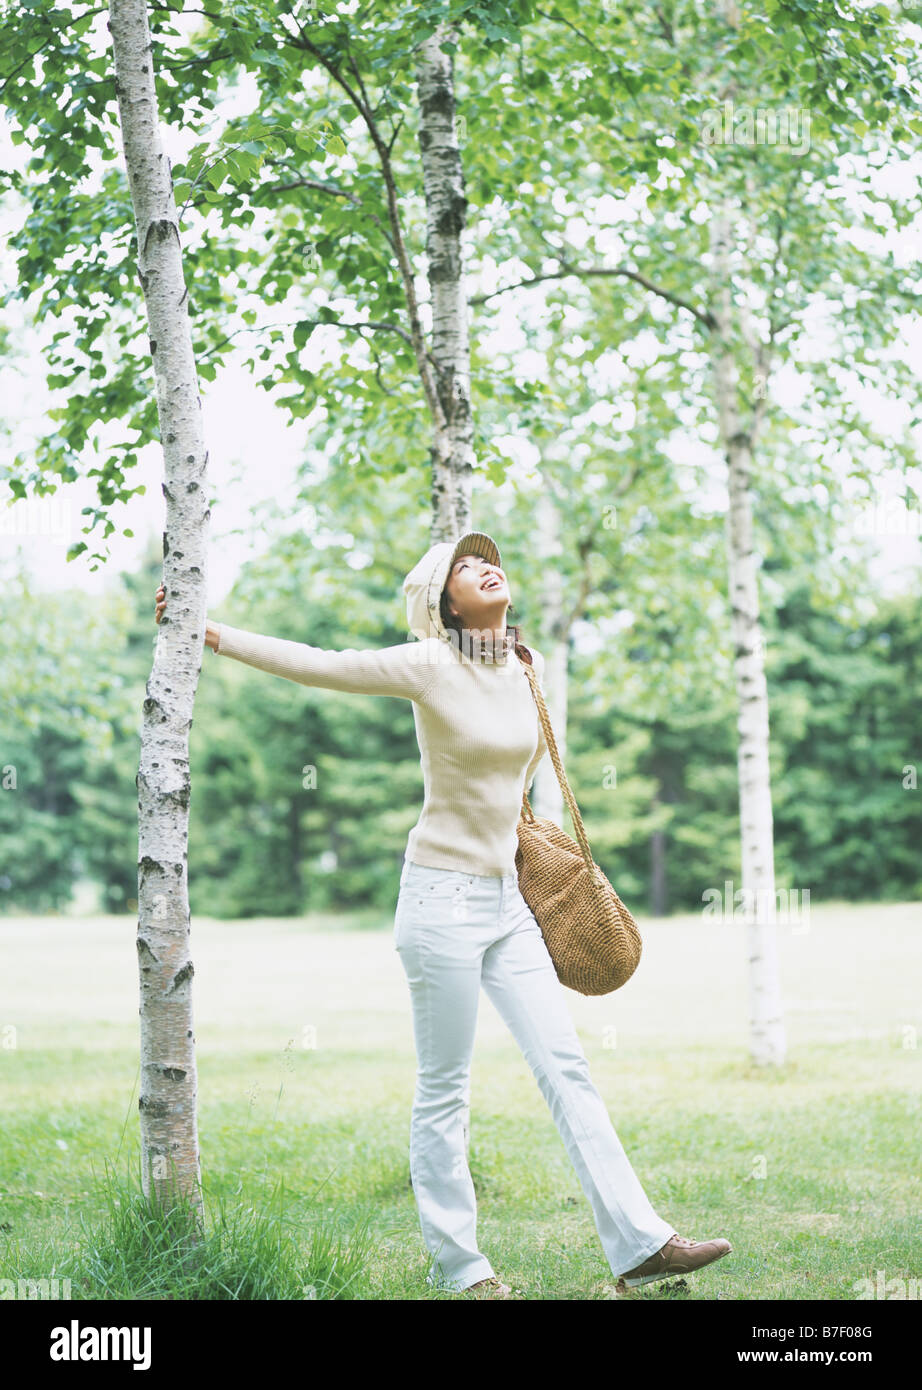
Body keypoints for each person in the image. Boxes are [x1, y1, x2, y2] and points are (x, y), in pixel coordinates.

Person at [154, 530, 732, 1299]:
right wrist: (212, 632)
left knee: (567, 1069)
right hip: (440, 900)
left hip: (507, 901)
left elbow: (517, 786)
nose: (486, 566)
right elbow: (324, 664)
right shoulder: (429, 664)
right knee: (445, 1088)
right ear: (445, 602)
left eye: (489, 558)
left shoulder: (528, 668)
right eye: (464, 566)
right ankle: (463, 1270)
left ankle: (640, 1245)